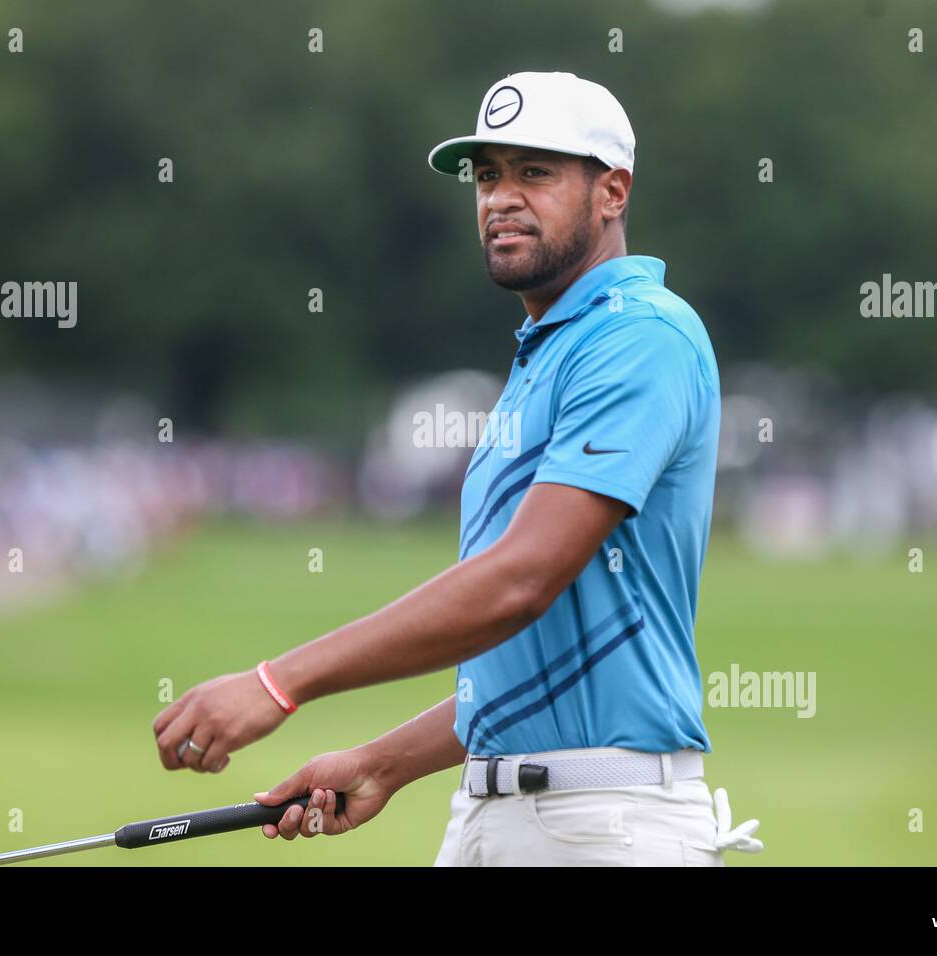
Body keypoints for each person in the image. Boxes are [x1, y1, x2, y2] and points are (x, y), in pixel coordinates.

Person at [151, 71, 762, 865]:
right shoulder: (550, 351)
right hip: (503, 813)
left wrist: (277, 684)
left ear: (612, 192)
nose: (500, 198)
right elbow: (533, 648)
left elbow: (521, 579)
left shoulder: (639, 335)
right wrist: (384, 762)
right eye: (486, 176)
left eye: (534, 172)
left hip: (600, 823)